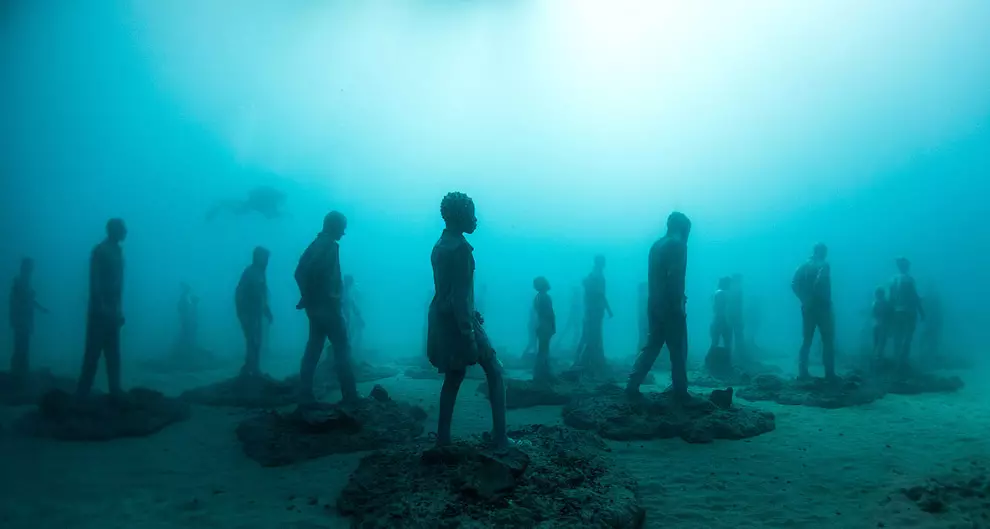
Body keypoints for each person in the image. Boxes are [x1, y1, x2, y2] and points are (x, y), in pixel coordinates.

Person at [426, 192, 508, 449]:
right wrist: (469, 333)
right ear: (461, 217)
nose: (476, 220)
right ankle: (500, 437)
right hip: (460, 322)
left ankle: (443, 439)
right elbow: (459, 297)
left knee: (454, 375)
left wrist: (470, 314)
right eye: (472, 214)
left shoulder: (440, 245)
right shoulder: (461, 249)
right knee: (494, 370)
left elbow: (448, 291)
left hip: (443, 317)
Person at [627, 211, 691, 401]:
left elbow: (658, 277)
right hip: (671, 305)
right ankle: (680, 390)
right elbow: (675, 277)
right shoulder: (678, 246)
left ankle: (632, 385)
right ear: (683, 227)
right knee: (678, 349)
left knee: (652, 345)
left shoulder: (656, 245)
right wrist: (678, 304)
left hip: (654, 303)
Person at [295, 211, 358, 403]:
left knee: (313, 349)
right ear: (334, 226)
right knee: (342, 348)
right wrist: (324, 297)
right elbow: (307, 272)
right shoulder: (327, 246)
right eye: (342, 228)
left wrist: (307, 297)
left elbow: (299, 272)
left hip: (317, 308)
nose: (343, 233)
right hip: (328, 309)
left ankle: (305, 393)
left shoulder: (315, 245)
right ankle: (350, 396)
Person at [76, 218, 127, 398]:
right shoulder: (101, 251)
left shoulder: (117, 252)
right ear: (112, 230)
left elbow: (118, 287)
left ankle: (115, 390)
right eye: (122, 229)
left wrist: (118, 310)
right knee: (93, 355)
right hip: (100, 313)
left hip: (112, 312)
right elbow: (95, 282)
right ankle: (82, 394)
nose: (126, 231)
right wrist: (102, 307)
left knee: (113, 355)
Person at [791, 242, 836, 380]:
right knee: (827, 340)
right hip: (822, 307)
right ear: (820, 251)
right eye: (824, 251)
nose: (825, 254)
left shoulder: (802, 266)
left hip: (807, 307)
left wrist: (805, 299)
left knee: (807, 340)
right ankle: (829, 373)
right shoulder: (823, 265)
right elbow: (820, 282)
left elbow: (793, 284)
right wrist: (820, 299)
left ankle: (802, 371)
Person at [9, 258, 49, 381]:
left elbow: (29, 300)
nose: (31, 270)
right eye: (30, 267)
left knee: (23, 346)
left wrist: (41, 308)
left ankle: (20, 374)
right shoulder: (19, 282)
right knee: (21, 346)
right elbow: (19, 301)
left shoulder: (24, 282)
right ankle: (17, 374)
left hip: (24, 320)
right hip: (21, 320)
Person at [236, 247, 273, 377]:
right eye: (265, 258)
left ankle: (252, 369)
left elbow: (261, 294)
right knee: (253, 340)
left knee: (255, 340)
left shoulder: (259, 272)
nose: (267, 261)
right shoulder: (252, 272)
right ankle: (249, 370)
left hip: (254, 312)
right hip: (248, 313)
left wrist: (265, 310)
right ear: (258, 258)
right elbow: (256, 293)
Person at [575, 255, 613, 372]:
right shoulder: (598, 276)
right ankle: (585, 360)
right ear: (601, 262)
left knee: (590, 334)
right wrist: (608, 309)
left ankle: (583, 359)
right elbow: (600, 294)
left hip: (592, 309)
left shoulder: (593, 275)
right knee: (593, 335)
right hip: (596, 310)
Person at [889, 257, 924, 367]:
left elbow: (890, 297)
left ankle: (897, 360)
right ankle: (903, 360)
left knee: (897, 336)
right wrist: (921, 311)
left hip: (897, 311)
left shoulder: (893, 279)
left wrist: (889, 313)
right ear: (906, 266)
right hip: (909, 312)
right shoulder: (910, 279)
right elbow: (915, 297)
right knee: (908, 337)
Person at [532, 276, 556, 384]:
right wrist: (552, 326)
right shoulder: (545, 297)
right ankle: (542, 374)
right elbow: (549, 313)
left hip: (541, 325)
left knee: (543, 350)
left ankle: (541, 373)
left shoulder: (538, 297)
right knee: (544, 350)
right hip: (545, 326)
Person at [342, 275, 366, 353]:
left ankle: (351, 351)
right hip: (344, 316)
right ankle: (347, 352)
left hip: (348, 316)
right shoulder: (343, 291)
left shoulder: (347, 291)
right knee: (348, 333)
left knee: (351, 332)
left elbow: (352, 303)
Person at [709, 277, 733, 353]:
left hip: (717, 320)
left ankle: (710, 360)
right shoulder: (721, 293)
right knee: (726, 341)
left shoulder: (717, 292)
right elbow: (721, 309)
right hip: (721, 320)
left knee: (715, 341)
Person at [175, 282, 199, 355]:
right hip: (186, 320)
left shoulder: (186, 298)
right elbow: (181, 308)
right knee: (186, 334)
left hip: (187, 320)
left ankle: (187, 350)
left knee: (187, 334)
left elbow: (183, 308)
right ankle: (187, 350)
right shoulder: (185, 298)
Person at [871, 286, 892, 359]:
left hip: (877, 324)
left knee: (877, 342)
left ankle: (876, 356)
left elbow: (873, 314)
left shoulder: (875, 303)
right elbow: (889, 316)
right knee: (881, 342)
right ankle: (878, 356)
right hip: (883, 325)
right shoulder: (886, 303)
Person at [727, 273, 745, 356]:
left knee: (732, 335)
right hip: (734, 316)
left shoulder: (730, 290)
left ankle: (733, 353)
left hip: (732, 316)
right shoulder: (737, 290)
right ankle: (736, 354)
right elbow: (738, 306)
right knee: (736, 335)